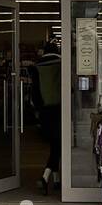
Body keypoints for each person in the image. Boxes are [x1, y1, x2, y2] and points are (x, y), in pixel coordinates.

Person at [27, 41, 62, 193]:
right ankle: (45, 177)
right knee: (58, 146)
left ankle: (57, 180)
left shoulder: (36, 67)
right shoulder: (62, 64)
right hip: (60, 109)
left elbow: (34, 92)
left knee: (55, 144)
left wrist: (37, 110)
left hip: (44, 112)